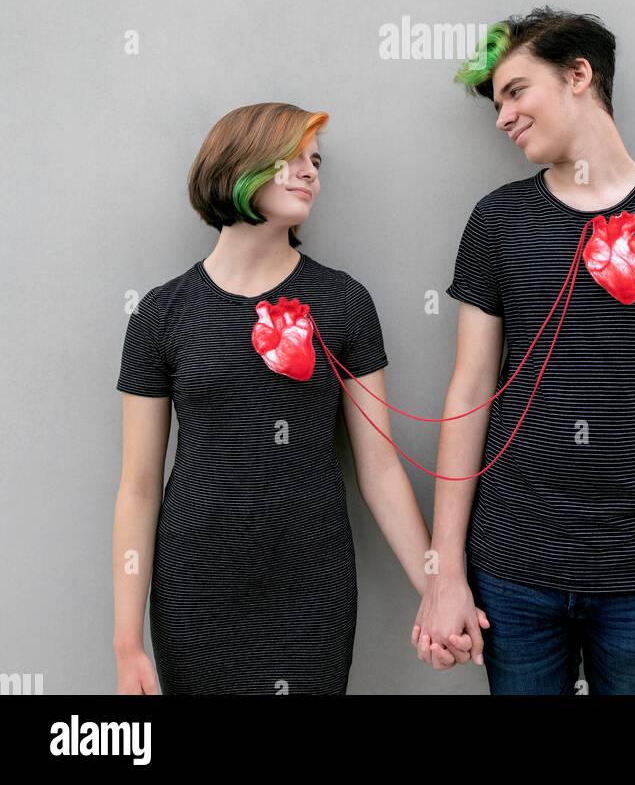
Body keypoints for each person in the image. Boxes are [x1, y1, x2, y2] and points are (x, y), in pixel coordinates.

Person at [412, 8, 635, 694]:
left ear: (578, 75)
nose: (502, 117)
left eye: (515, 91)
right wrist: (443, 572)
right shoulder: (497, 221)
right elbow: (469, 391)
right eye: (496, 103)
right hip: (511, 570)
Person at [112, 100, 481, 694]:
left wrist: (437, 588)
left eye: (315, 161)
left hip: (311, 582)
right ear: (236, 168)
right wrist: (127, 643)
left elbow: (381, 469)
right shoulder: (162, 314)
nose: (310, 172)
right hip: (196, 587)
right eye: (290, 159)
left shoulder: (343, 302)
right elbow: (137, 487)